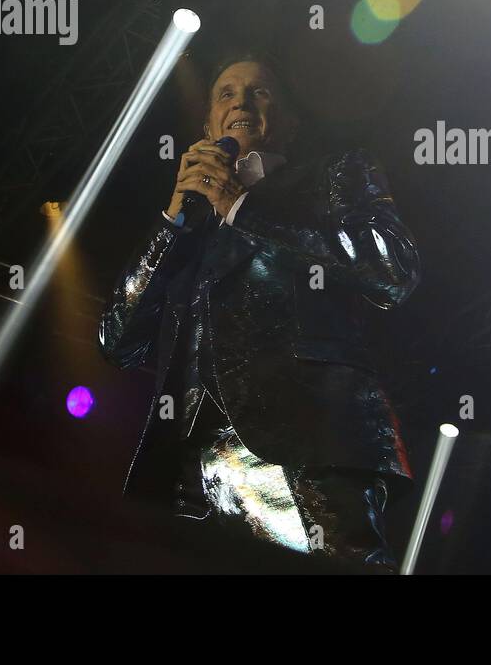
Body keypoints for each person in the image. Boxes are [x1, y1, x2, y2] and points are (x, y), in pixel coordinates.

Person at [98, 49, 420, 569]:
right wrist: (173, 223)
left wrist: (243, 207)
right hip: (188, 474)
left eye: (259, 90)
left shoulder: (334, 174)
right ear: (207, 123)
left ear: (288, 123)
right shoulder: (187, 226)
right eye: (225, 93)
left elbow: (392, 272)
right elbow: (118, 342)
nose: (240, 101)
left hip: (309, 445)